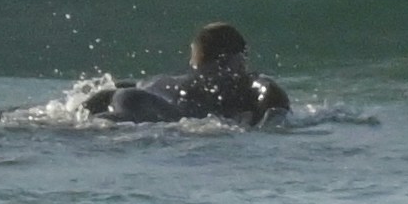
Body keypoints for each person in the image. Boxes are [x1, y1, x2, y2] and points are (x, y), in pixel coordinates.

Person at [86, 21, 291, 127]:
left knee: (95, 123)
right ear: (238, 57)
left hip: (130, 96)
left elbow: (117, 89)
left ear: (195, 57)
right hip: (161, 113)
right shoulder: (243, 81)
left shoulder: (166, 80)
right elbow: (271, 96)